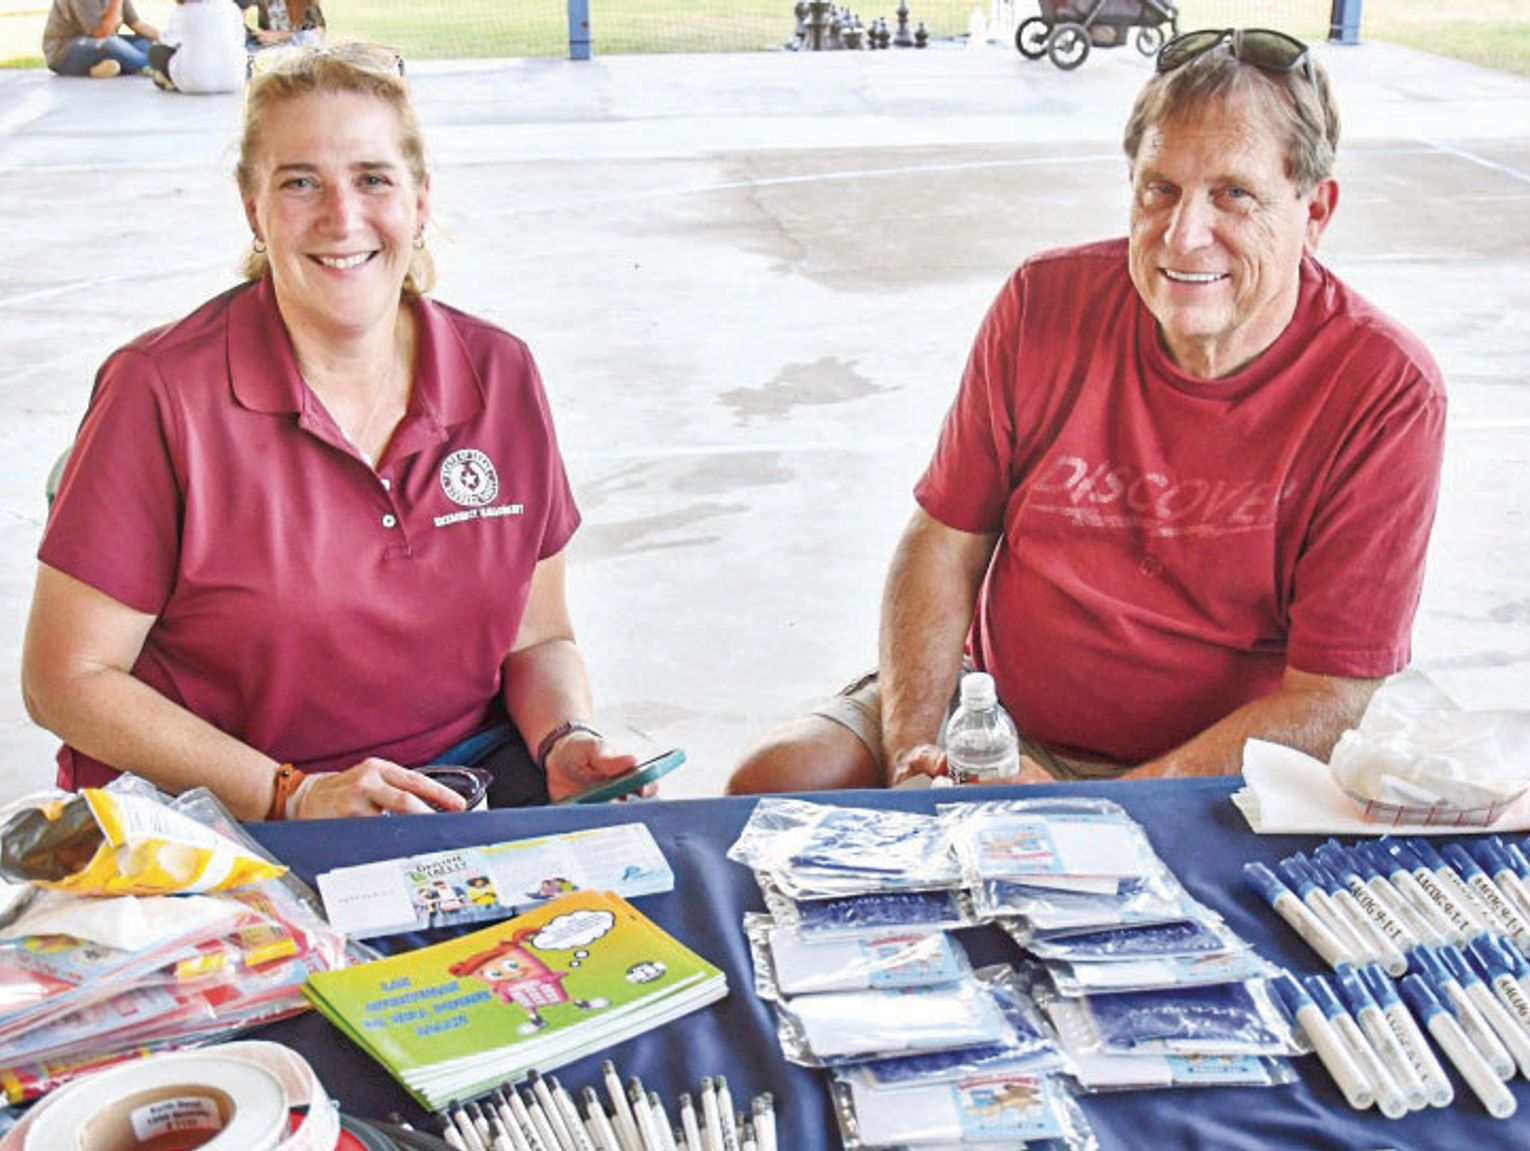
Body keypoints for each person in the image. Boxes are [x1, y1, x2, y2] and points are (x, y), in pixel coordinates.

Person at [729, 28, 1447, 794]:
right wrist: (917, 757)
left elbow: (1332, 697)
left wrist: (1097, 806)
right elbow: (944, 540)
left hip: (1200, 772)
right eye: (1158, 188)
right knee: (774, 778)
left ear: (1316, 211)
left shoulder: (1385, 390)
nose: (1184, 234)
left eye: (1234, 195)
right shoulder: (1044, 301)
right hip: (992, 720)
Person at [23, 43, 640, 821]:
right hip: (219, 814)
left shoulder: (501, 373)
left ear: (419, 201)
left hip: (453, 791)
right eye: (300, 182)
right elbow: (67, 678)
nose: (341, 217)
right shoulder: (161, 391)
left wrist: (562, 738)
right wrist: (292, 795)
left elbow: (538, 638)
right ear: (253, 206)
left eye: (373, 179)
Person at [146, 0, 246, 95]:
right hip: (234, 81)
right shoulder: (232, 7)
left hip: (193, 83)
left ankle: (169, 80)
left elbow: (168, 40)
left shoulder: (183, 10)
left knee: (155, 51)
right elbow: (241, 40)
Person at [43, 0, 160, 79]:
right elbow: (103, 34)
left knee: (145, 43)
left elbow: (137, 25)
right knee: (111, 45)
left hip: (99, 44)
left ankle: (98, 69)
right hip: (64, 51)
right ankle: (157, 65)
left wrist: (168, 41)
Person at [238, 0, 325, 52]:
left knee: (309, 37)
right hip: (267, 47)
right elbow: (237, 10)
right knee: (243, 45)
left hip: (295, 45)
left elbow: (318, 32)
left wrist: (280, 35)